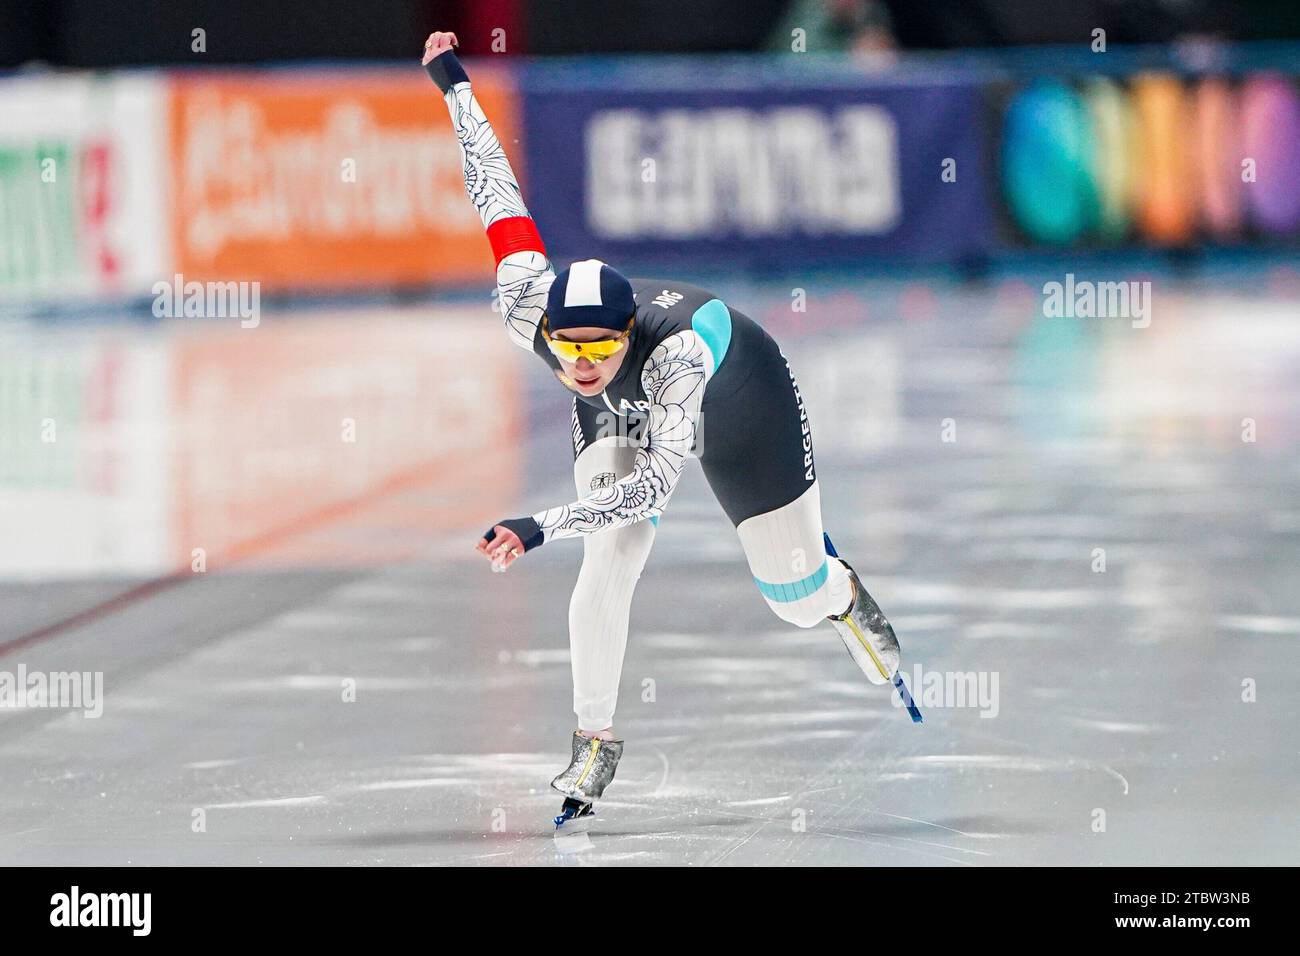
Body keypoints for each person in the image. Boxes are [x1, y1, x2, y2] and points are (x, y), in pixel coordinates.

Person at [422, 30, 911, 827]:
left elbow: (654, 484)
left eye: (599, 348)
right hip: (626, 411)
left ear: (626, 336)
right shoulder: (525, 305)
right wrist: (454, 84)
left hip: (738, 398)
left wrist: (538, 525)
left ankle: (841, 592)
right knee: (613, 551)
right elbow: (495, 193)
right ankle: (595, 737)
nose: (580, 364)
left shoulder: (671, 357)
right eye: (567, 348)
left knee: (792, 599)